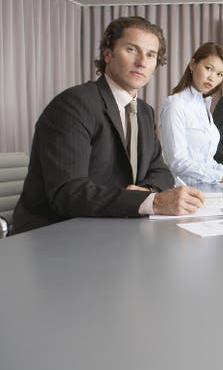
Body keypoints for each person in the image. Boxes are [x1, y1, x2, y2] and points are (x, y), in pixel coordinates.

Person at [12, 16, 204, 234]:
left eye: (150, 55)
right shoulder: (74, 104)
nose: (142, 62)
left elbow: (160, 171)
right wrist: (153, 202)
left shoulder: (144, 111)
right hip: (54, 234)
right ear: (107, 53)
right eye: (131, 50)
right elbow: (68, 193)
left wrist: (147, 191)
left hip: (112, 227)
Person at [159, 43, 223, 185]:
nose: (213, 78)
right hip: (182, 190)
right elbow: (177, 161)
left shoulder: (203, 105)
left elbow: (207, 161)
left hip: (206, 188)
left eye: (219, 74)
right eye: (208, 69)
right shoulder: (176, 104)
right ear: (192, 64)